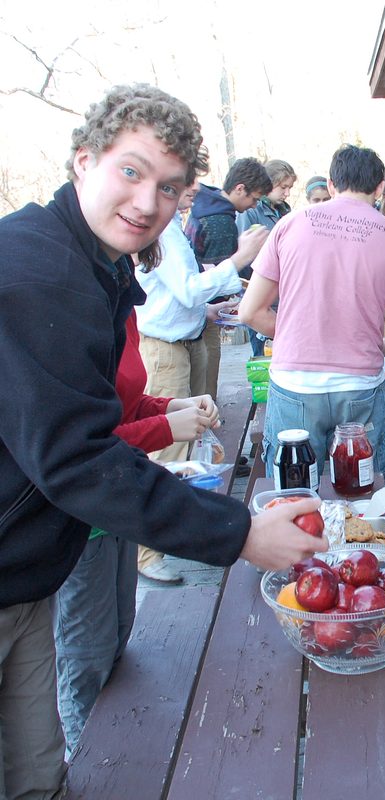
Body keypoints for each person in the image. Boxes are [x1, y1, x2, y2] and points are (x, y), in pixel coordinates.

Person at [0, 83, 326, 798]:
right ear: (83, 160)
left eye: (170, 187)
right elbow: (78, 457)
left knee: (37, 777)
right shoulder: (35, 269)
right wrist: (239, 533)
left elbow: (89, 415)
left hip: (26, 580)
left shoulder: (97, 263)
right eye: (131, 171)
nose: (149, 202)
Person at [53, 309, 219, 755]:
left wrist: (171, 406)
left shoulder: (119, 304)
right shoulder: (64, 313)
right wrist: (163, 428)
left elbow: (121, 406)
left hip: (118, 505)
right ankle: (85, 760)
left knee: (118, 636)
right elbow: (78, 444)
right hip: (78, 523)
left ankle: (117, 751)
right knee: (85, 658)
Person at [238, 144, 385, 480]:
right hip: (360, 384)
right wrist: (364, 343)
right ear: (380, 187)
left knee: (293, 494)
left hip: (295, 382)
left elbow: (250, 312)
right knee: (362, 493)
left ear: (331, 183)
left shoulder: (289, 225)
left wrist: (302, 337)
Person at [135, 183, 268, 583]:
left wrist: (207, 311)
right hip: (165, 348)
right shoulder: (161, 229)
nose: (193, 191)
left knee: (194, 440)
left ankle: (187, 530)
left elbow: (176, 291)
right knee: (167, 448)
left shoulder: (175, 225)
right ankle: (147, 552)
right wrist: (240, 259)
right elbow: (187, 288)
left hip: (187, 338)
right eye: (182, 184)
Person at [185, 157, 271, 395]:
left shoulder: (208, 205)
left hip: (202, 310)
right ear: (240, 188)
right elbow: (220, 273)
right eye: (254, 199)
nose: (254, 206)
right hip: (206, 312)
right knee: (206, 387)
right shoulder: (221, 221)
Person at [235, 159, 297, 357]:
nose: (287, 193)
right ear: (269, 183)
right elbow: (243, 255)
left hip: (284, 295)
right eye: (283, 187)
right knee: (263, 357)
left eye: (290, 188)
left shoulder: (285, 212)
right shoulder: (251, 212)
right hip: (261, 295)